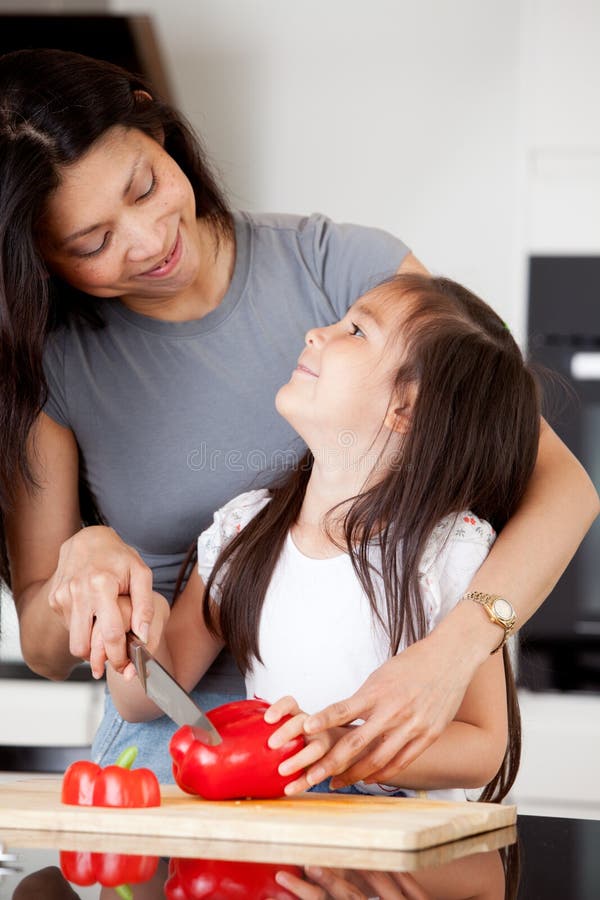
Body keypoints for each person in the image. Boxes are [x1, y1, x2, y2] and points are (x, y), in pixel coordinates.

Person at [0, 49, 597, 785]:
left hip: (376, 748)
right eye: (92, 243)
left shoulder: (345, 270)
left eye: (145, 186)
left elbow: (561, 486)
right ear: (38, 258)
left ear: (155, 126)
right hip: (176, 749)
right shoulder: (56, 364)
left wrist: (450, 653)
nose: (150, 242)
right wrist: (90, 576)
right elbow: (53, 647)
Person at [109, 273, 538, 804]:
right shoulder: (245, 530)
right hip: (281, 836)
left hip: (396, 845)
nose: (315, 332)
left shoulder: (450, 554)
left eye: (356, 331)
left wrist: (347, 749)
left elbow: (482, 747)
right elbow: (148, 695)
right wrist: (131, 624)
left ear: (405, 408)